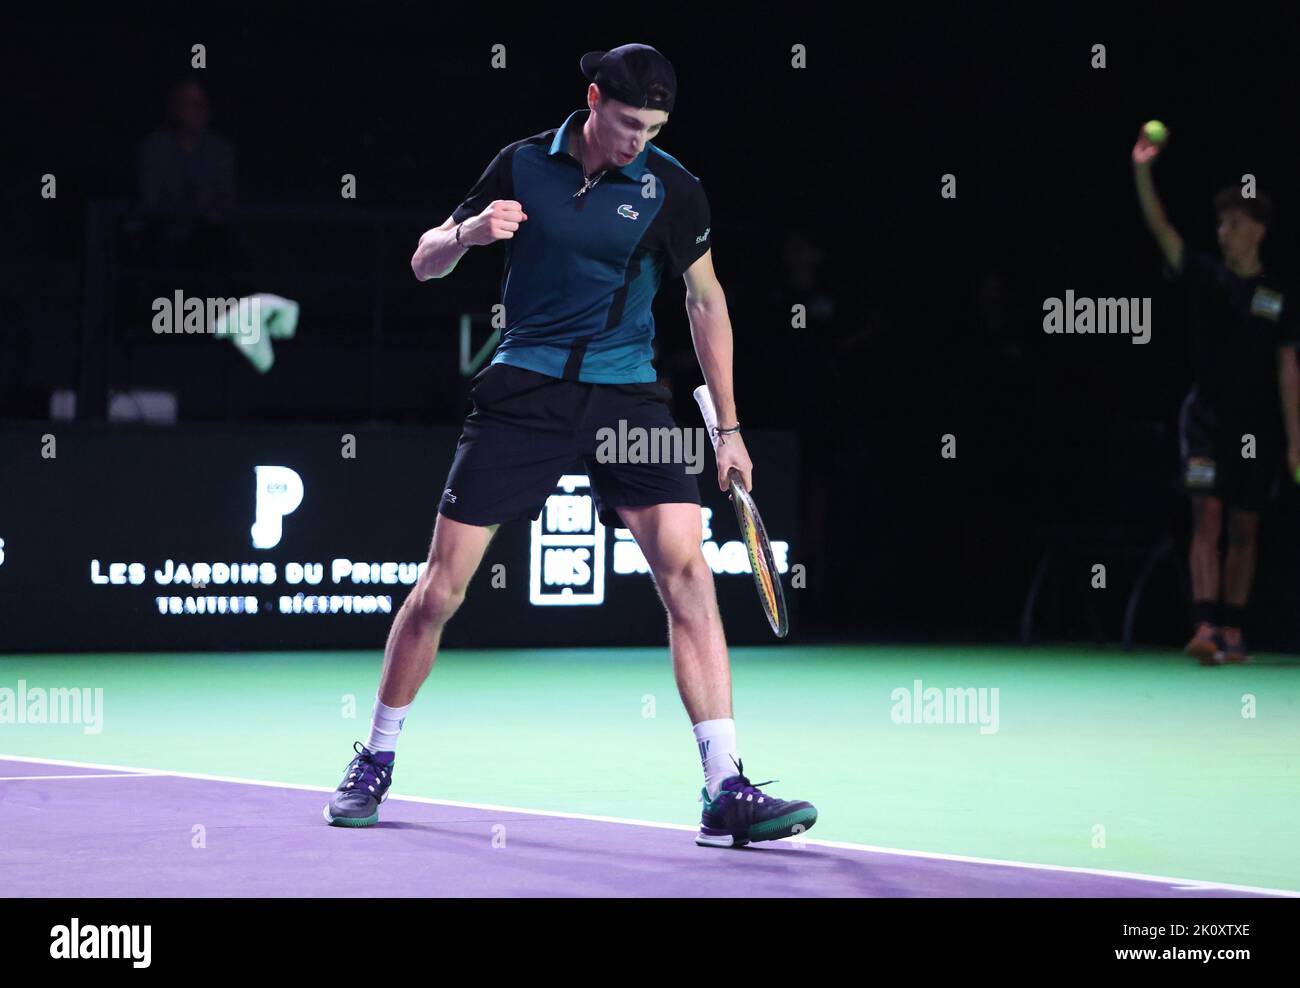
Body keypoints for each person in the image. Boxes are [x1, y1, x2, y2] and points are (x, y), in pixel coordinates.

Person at [324, 44, 817, 848]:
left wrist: (727, 429)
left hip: (627, 395)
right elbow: (423, 262)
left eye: (654, 128)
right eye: (628, 124)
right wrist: (473, 233)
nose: (638, 142)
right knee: (441, 588)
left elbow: (706, 301)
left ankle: (724, 785)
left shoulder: (673, 189)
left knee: (688, 573)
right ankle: (374, 759)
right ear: (592, 101)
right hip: (524, 392)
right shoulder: (521, 164)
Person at [1132, 125, 1300, 664]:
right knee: (1206, 514)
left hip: (1257, 430)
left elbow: (1288, 369)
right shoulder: (1204, 275)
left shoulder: (1277, 296)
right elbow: (1162, 230)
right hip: (1204, 419)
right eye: (1220, 223)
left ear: (1258, 230)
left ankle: (1232, 631)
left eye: (1233, 223)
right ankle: (1205, 626)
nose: (1223, 232)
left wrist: (1297, 442)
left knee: (1245, 527)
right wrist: (1141, 170)